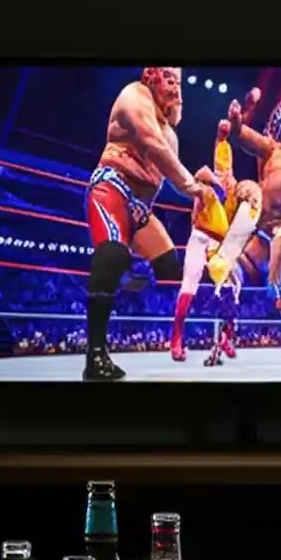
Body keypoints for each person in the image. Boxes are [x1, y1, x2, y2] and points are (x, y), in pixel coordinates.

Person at [83, 67, 214, 381]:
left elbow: (166, 172)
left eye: (178, 82)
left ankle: (131, 270)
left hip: (141, 209)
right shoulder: (135, 95)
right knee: (113, 254)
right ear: (152, 77)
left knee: (171, 266)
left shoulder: (172, 133)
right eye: (169, 79)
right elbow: (152, 144)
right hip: (111, 188)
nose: (175, 88)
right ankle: (95, 356)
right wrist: (193, 186)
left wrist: (201, 185)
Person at [226, 87, 281, 359]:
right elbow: (240, 136)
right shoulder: (270, 148)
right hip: (258, 225)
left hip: (279, 226)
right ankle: (227, 332)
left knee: (274, 283)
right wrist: (242, 113)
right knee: (232, 269)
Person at [171, 120, 263, 362]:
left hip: (221, 247)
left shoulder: (238, 199)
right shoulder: (207, 186)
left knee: (236, 286)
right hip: (200, 237)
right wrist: (221, 138)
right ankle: (177, 339)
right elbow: (203, 171)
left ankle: (226, 337)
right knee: (189, 284)